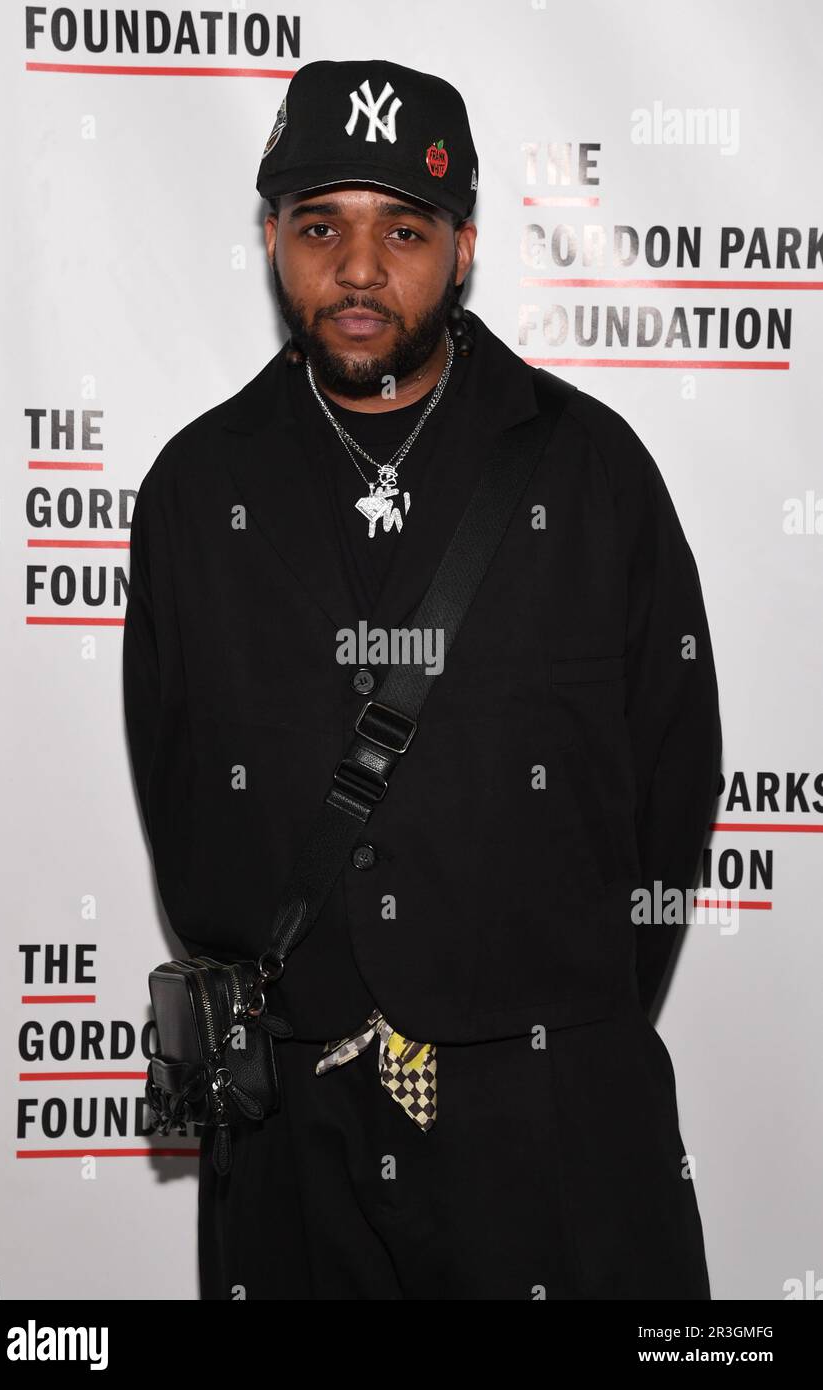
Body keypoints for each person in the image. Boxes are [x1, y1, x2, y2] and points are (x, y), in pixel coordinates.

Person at [123, 58, 722, 1300]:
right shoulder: (197, 488)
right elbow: (177, 781)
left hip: (548, 1123)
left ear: (461, 249)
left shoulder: (591, 472)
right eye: (318, 227)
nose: (356, 270)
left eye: (401, 229)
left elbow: (671, 776)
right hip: (292, 1132)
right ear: (272, 241)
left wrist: (547, 1024)